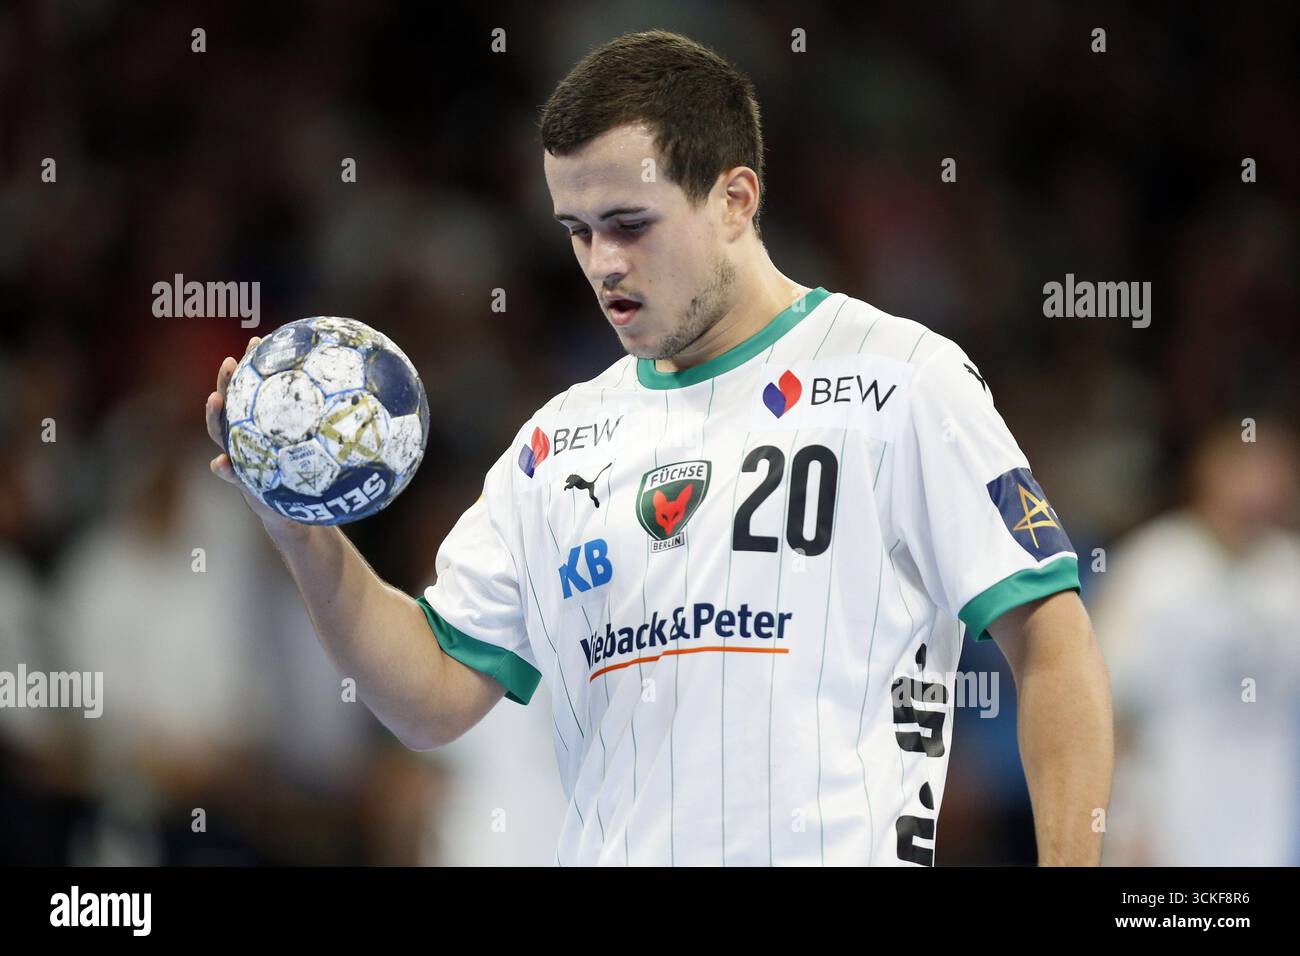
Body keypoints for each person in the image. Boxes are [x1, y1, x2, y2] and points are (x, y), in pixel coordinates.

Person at [203, 30, 1111, 866]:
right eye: (578, 232)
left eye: (630, 224)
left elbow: (1054, 648)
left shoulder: (902, 379)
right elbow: (431, 697)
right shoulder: (554, 447)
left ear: (735, 199)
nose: (602, 262)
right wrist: (296, 528)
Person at [1091, 422, 1300, 865]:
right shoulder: (1152, 570)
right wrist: (1124, 818)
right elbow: (1104, 708)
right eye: (1244, 467)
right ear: (1209, 472)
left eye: (1272, 469)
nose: (1258, 486)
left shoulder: (1290, 575)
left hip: (1266, 833)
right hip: (1166, 828)